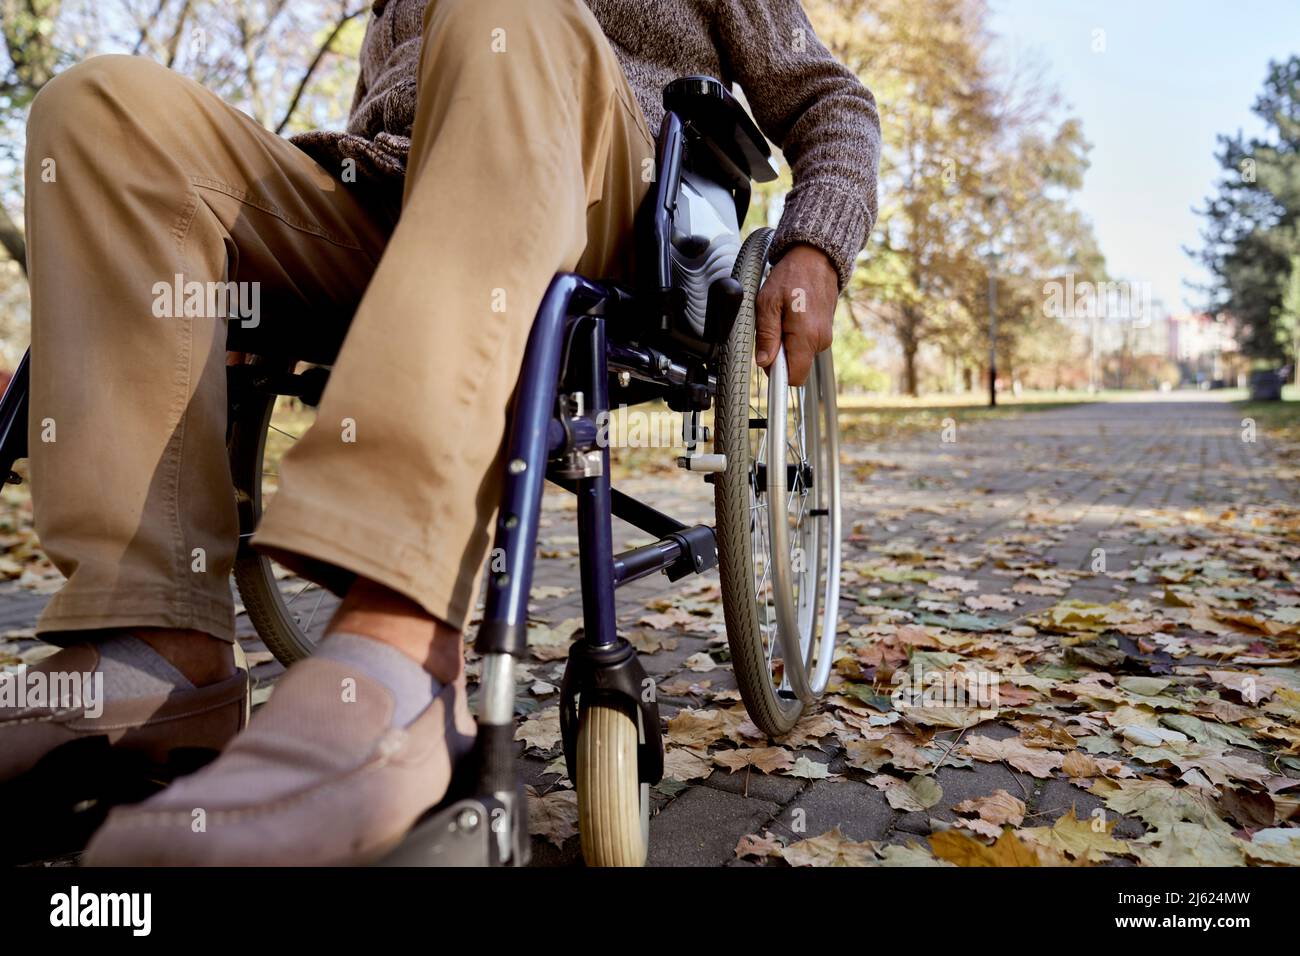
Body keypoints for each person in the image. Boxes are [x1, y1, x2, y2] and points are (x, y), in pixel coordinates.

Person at [3, 0, 879, 864]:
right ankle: (159, 645)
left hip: (605, 197)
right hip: (399, 201)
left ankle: (403, 651)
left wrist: (818, 244)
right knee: (101, 109)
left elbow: (832, 102)